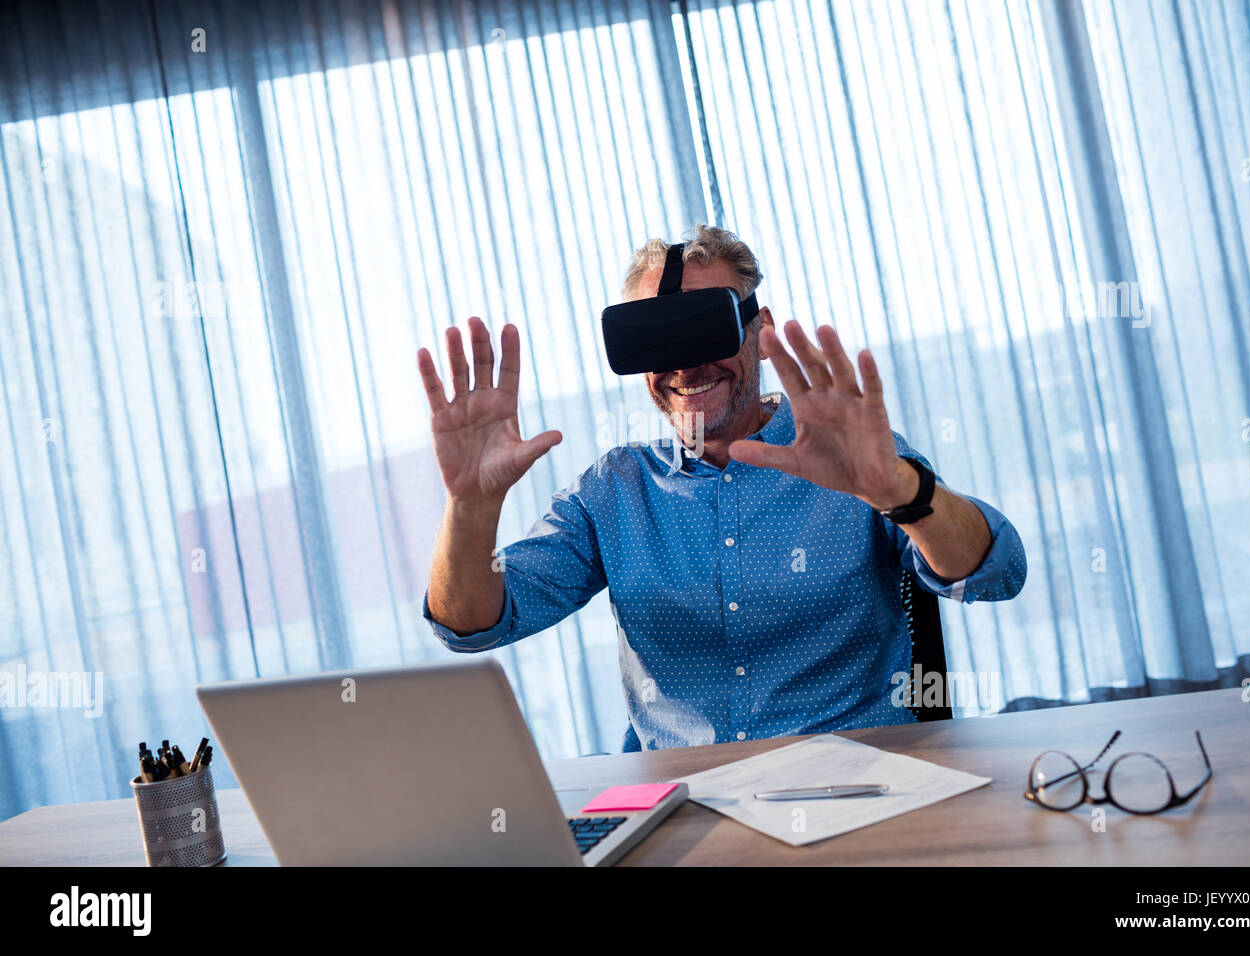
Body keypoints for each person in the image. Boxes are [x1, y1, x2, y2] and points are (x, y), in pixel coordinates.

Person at [417, 225, 1026, 751]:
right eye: (659, 340)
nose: (686, 366)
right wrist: (470, 507)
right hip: (686, 811)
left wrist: (903, 493)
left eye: (704, 330)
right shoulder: (615, 492)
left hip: (861, 788)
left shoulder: (851, 458)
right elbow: (471, 625)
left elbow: (997, 574)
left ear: (758, 328)